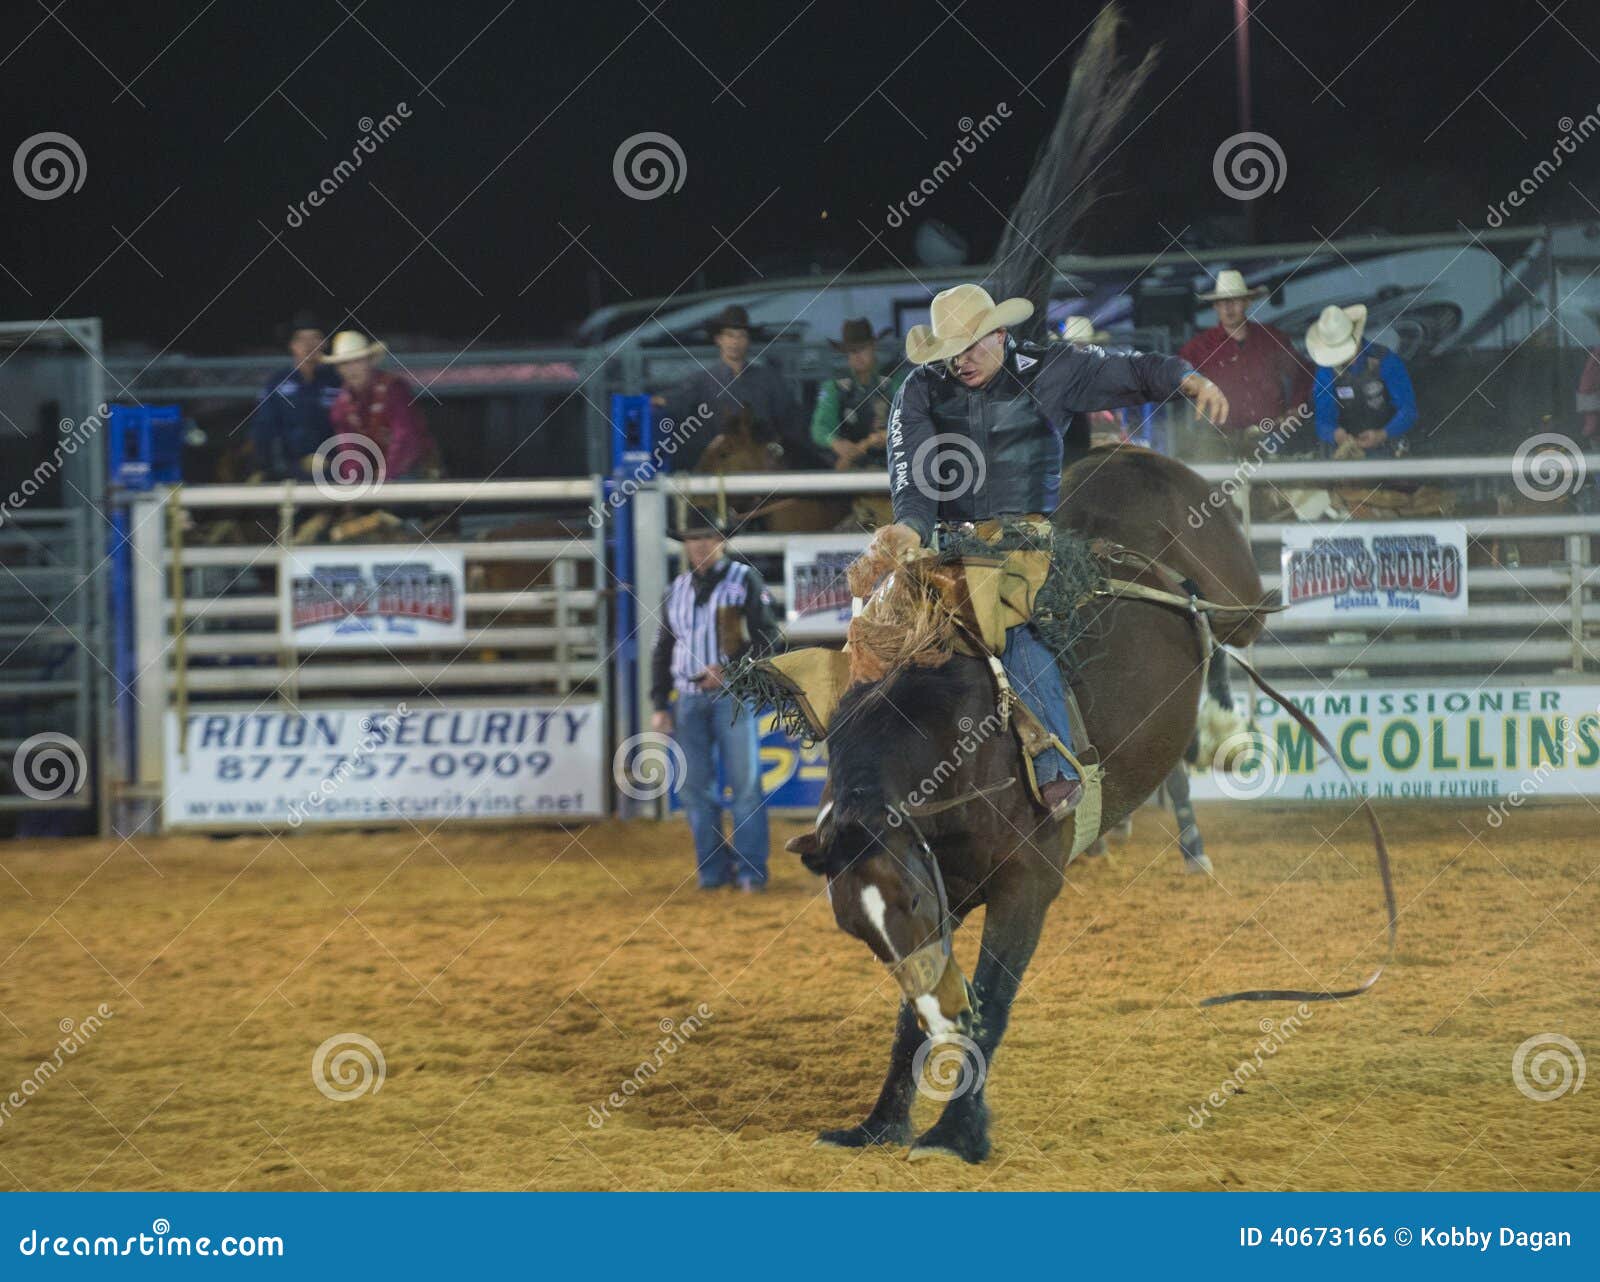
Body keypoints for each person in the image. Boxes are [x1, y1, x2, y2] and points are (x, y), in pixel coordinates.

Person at [886, 283, 1227, 818]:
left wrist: (1186, 377)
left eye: (971, 346)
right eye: (951, 351)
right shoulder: (920, 389)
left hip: (1027, 547)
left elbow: (1131, 370)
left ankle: (1054, 763)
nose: (961, 361)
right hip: (949, 547)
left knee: (1013, 624)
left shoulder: (1050, 369)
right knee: (882, 637)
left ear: (1000, 334)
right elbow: (913, 475)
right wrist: (909, 528)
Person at [649, 507, 784, 890]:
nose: (699, 545)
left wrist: (731, 668)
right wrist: (660, 704)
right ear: (685, 545)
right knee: (695, 790)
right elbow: (663, 648)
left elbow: (770, 638)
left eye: (706, 537)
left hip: (733, 696)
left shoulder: (744, 580)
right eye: (693, 539)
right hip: (688, 698)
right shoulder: (675, 589)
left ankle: (749, 872)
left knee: (743, 787)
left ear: (720, 541)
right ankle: (714, 872)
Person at [654, 304, 815, 467]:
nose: (735, 342)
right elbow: (675, 401)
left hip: (763, 465)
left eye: (741, 336)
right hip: (719, 465)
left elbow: (791, 421)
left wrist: (776, 448)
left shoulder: (769, 379)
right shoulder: (701, 381)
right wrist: (654, 401)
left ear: (748, 340)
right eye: (729, 335)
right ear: (719, 339)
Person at [1179, 270, 1312, 453]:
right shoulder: (1199, 346)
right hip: (1219, 442)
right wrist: (1192, 384)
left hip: (1270, 437)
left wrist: (1296, 407)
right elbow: (1175, 374)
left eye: (1234, 300)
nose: (1228, 308)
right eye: (1222, 302)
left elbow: (1304, 373)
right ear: (1215, 306)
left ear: (1247, 302)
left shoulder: (1271, 339)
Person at [1307, 304, 1418, 456]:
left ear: (1357, 338)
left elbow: (1408, 410)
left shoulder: (1386, 361)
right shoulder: (1326, 371)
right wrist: (1336, 435)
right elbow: (1323, 419)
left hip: (1389, 447)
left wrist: (1383, 434)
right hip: (1344, 452)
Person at [324, 330, 437, 479]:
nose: (351, 369)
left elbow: (405, 438)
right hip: (374, 476)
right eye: (345, 364)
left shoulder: (394, 389)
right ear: (339, 369)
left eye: (357, 361)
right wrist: (353, 481)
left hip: (411, 467)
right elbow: (349, 451)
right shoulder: (341, 406)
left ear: (370, 361)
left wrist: (386, 476)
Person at [249, 311, 342, 479]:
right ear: (292, 345)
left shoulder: (338, 382)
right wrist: (265, 467)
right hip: (287, 470)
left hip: (335, 468)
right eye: (301, 339)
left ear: (325, 343)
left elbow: (348, 426)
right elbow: (264, 429)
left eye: (315, 338)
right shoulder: (277, 383)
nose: (308, 345)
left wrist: (333, 460)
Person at [809, 317, 904, 470]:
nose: (857, 356)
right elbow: (820, 426)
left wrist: (890, 435)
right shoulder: (834, 386)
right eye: (851, 351)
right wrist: (835, 443)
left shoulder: (895, 380)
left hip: (894, 463)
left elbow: (911, 418)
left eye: (862, 348)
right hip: (851, 465)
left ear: (873, 347)